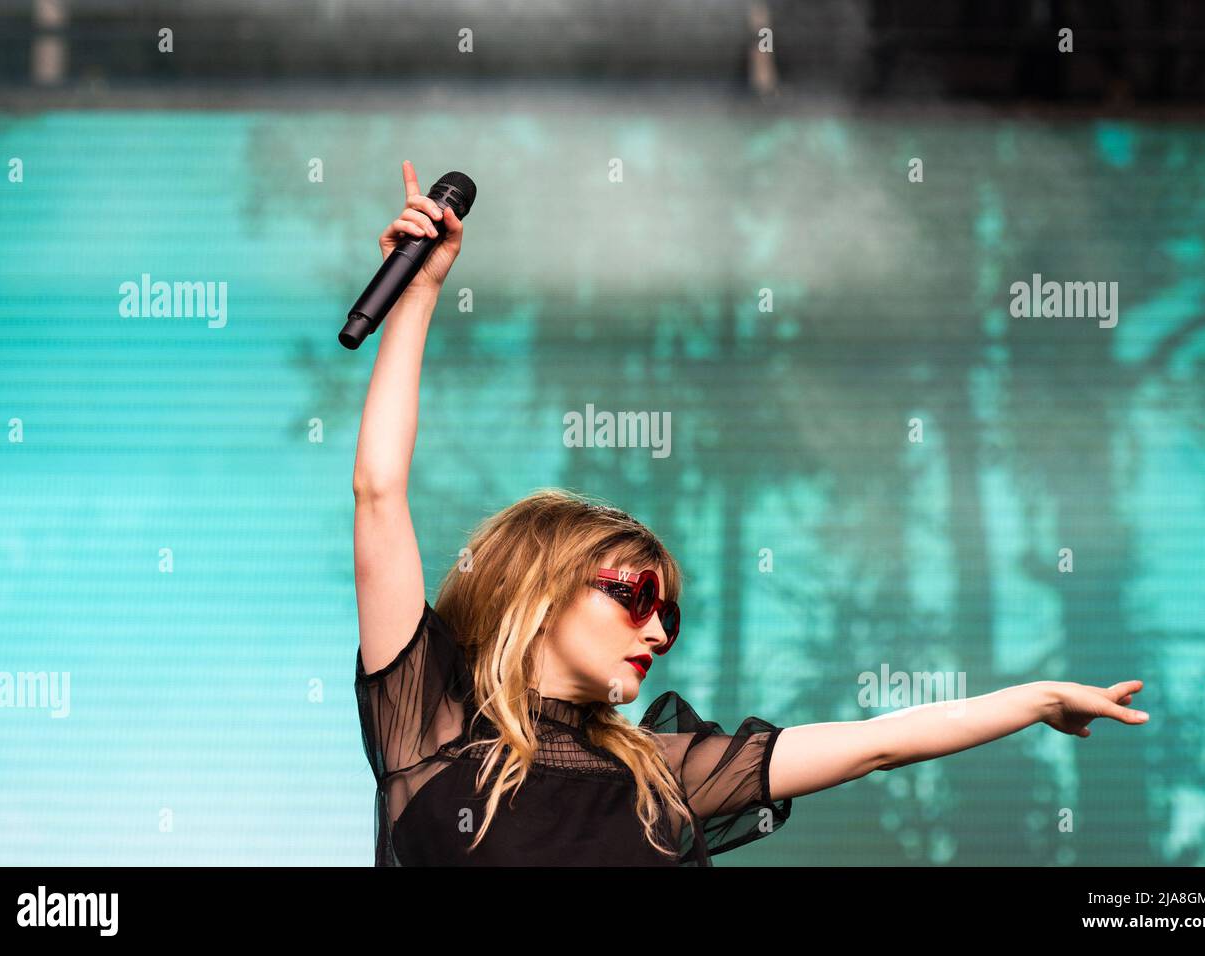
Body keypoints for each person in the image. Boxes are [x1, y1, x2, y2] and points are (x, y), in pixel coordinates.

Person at [351, 161, 1151, 866]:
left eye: (670, 613)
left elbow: (878, 744)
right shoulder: (430, 725)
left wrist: (1039, 699)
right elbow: (379, 492)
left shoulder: (657, 773)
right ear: (541, 588)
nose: (660, 632)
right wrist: (418, 294)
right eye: (635, 597)